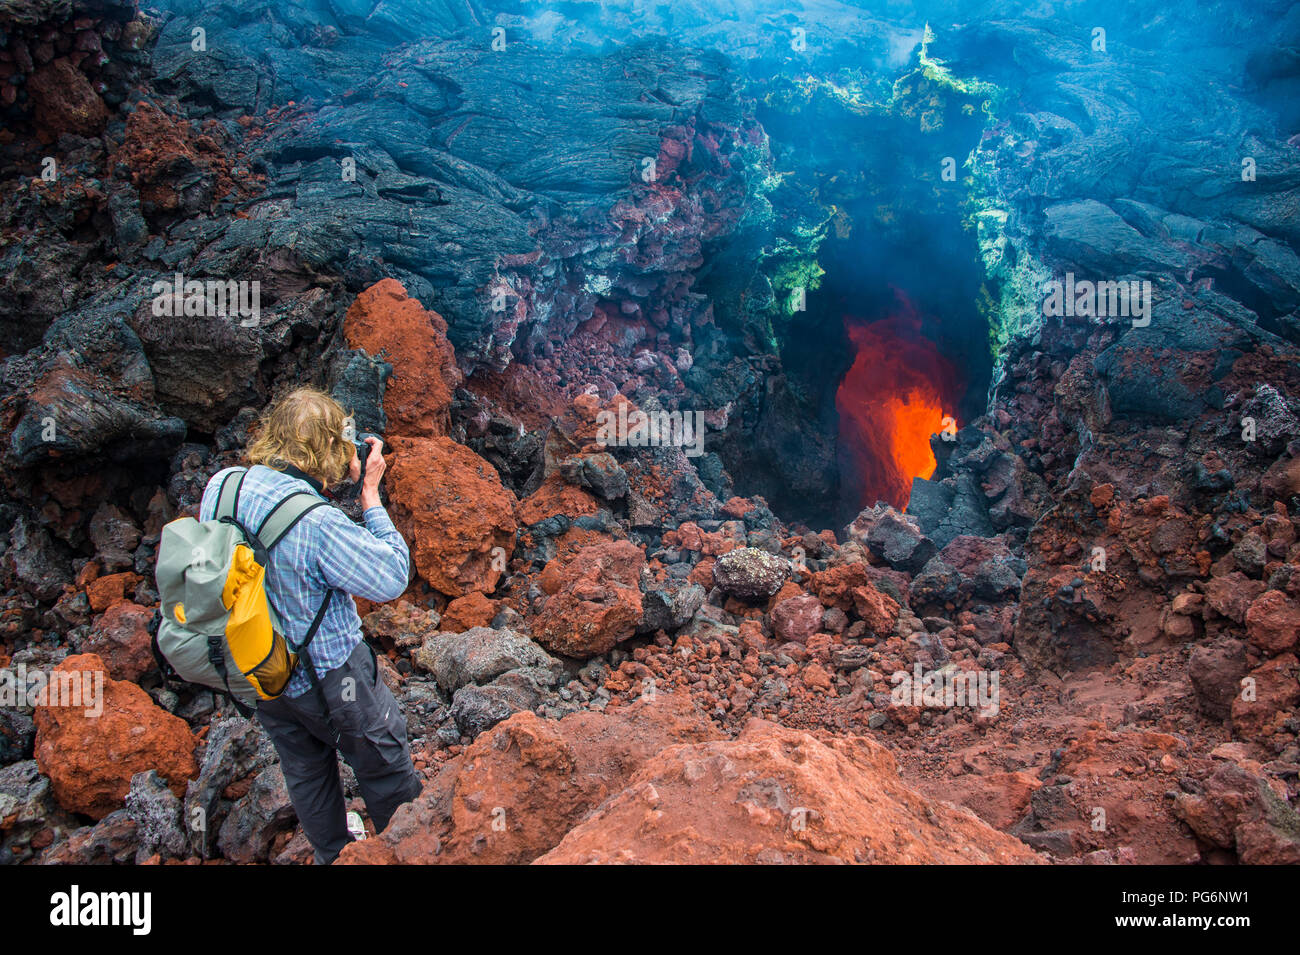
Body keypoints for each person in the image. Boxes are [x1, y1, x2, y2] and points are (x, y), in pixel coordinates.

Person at [199, 386, 421, 864]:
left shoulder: (222, 485)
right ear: (331, 448)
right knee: (383, 761)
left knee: (305, 769)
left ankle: (333, 856)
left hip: (260, 665)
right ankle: (408, 852)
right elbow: (391, 576)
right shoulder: (316, 521)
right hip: (332, 677)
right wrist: (370, 495)